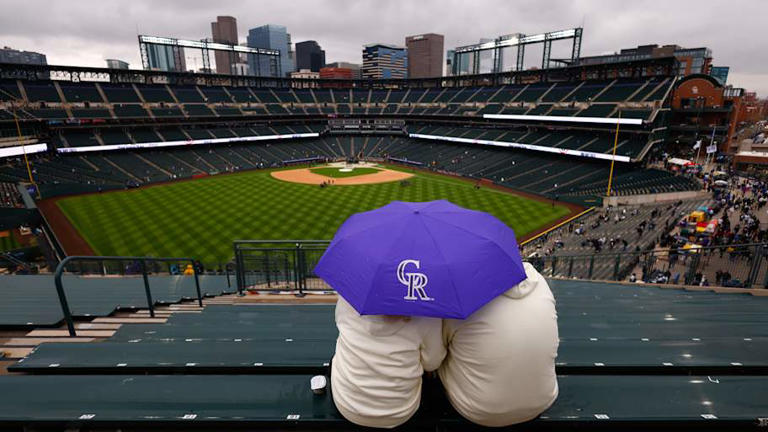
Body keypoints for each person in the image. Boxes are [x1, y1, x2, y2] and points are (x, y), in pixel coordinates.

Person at [438, 262, 559, 427]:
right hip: (542, 401)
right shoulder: (539, 280)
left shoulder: (460, 290)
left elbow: (435, 357)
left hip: (479, 411)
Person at [331, 297, 446, 428]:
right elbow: (432, 364)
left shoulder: (348, 302)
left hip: (348, 406)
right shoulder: (428, 315)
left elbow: (340, 324)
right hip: (401, 412)